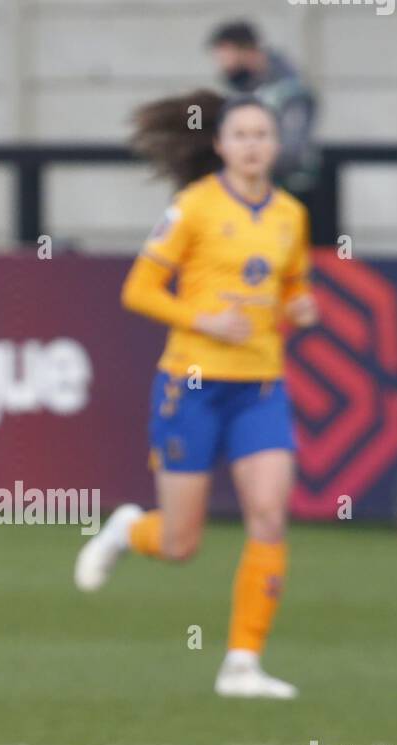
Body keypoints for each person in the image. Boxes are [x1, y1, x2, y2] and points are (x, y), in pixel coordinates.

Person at [75, 90, 318, 699]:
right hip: (194, 384)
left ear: (276, 144)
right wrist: (203, 321)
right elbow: (140, 289)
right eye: (242, 136)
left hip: (261, 387)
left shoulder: (291, 214)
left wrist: (300, 307)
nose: (253, 145)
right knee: (181, 543)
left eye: (263, 135)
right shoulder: (193, 207)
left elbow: (293, 286)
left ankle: (241, 664)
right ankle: (130, 530)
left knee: (269, 514)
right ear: (220, 145)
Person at [207, 20, 316, 183]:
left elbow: (291, 151)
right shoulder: (243, 90)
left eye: (226, 59)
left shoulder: (289, 93)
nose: (224, 69)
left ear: (247, 52)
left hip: (287, 189)